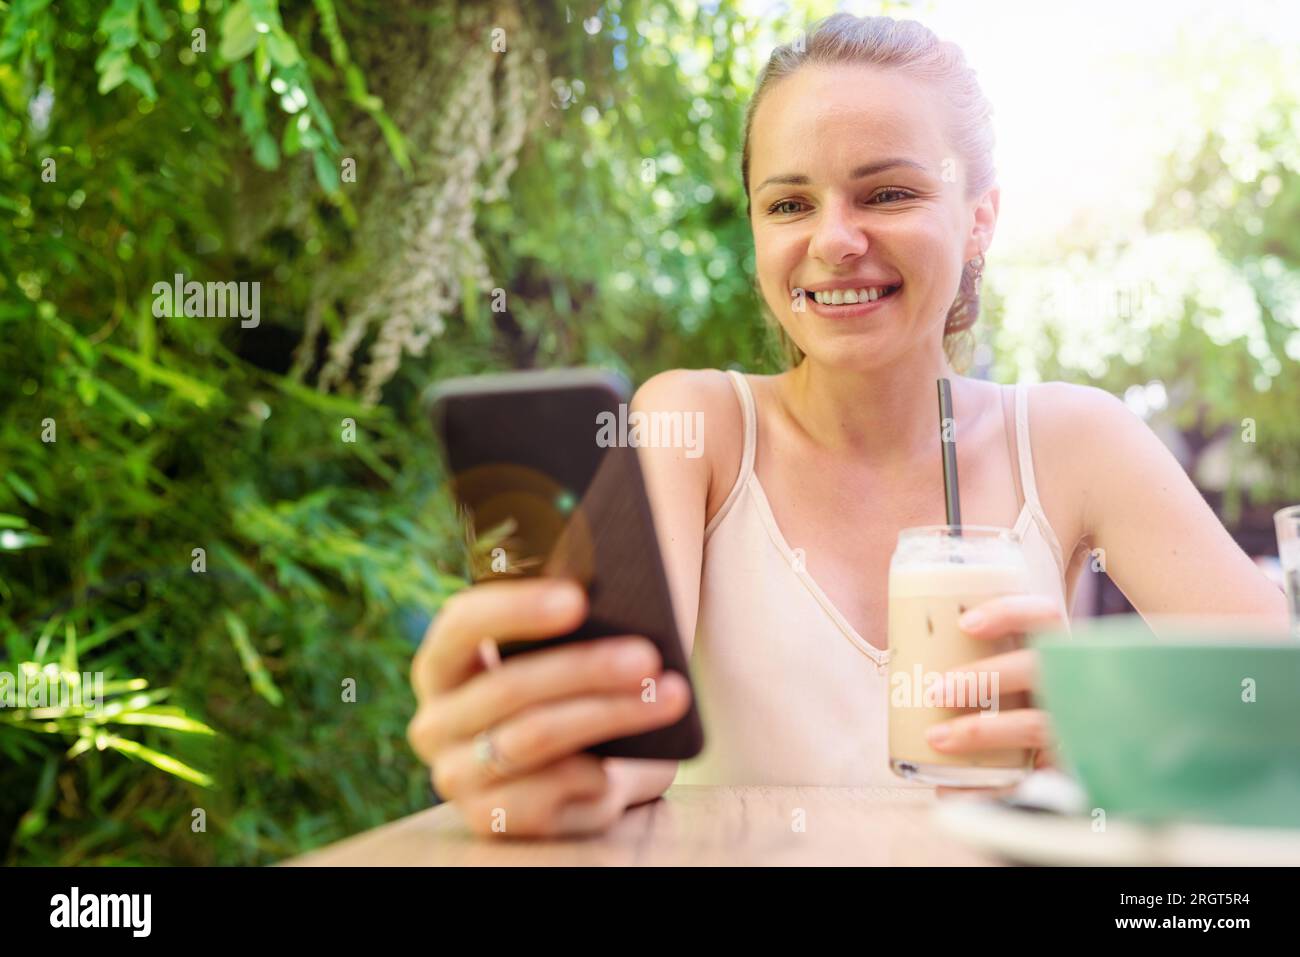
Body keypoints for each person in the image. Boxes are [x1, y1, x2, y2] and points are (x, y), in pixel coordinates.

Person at [406, 13, 1289, 837]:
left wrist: (1111, 736)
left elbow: (1275, 705)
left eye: (889, 193)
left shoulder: (1072, 440)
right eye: (789, 204)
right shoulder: (695, 425)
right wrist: (539, 754)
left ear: (980, 218)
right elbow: (626, 738)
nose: (835, 239)